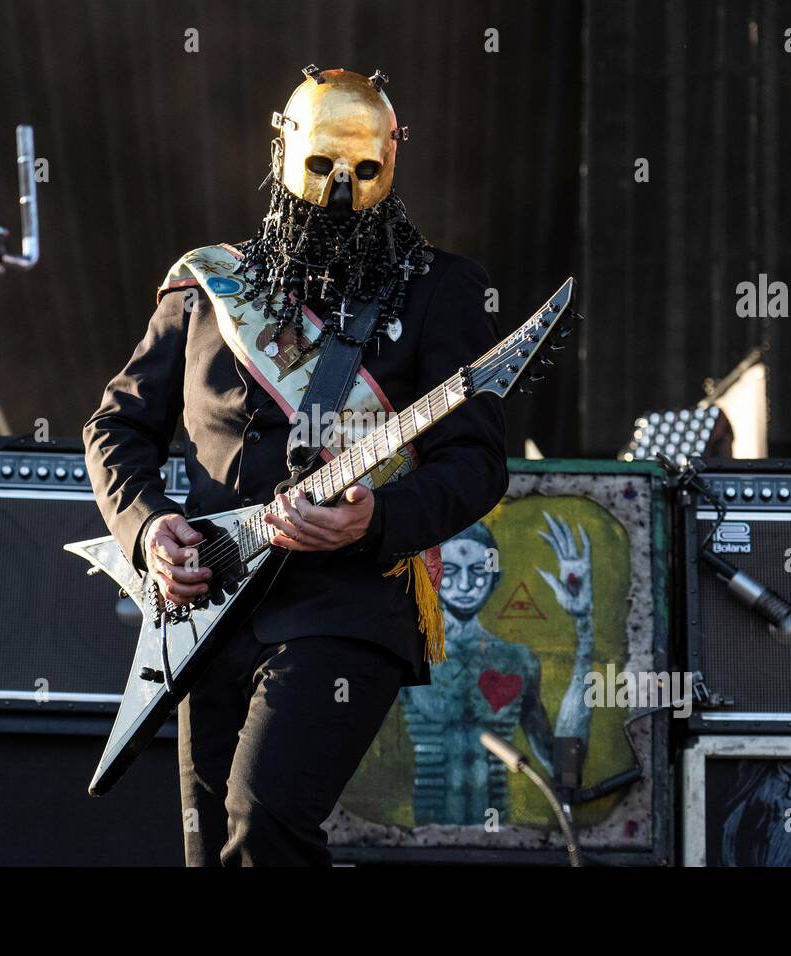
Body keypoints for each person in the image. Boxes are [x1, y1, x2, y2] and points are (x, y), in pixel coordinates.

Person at [84, 65, 507, 866]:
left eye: (364, 168)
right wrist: (147, 534)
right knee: (208, 845)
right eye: (322, 164)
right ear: (281, 150)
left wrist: (375, 519)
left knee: (265, 813)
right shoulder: (207, 288)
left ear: (394, 157)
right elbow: (116, 427)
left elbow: (479, 463)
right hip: (207, 605)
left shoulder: (442, 290)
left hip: (348, 606)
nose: (343, 192)